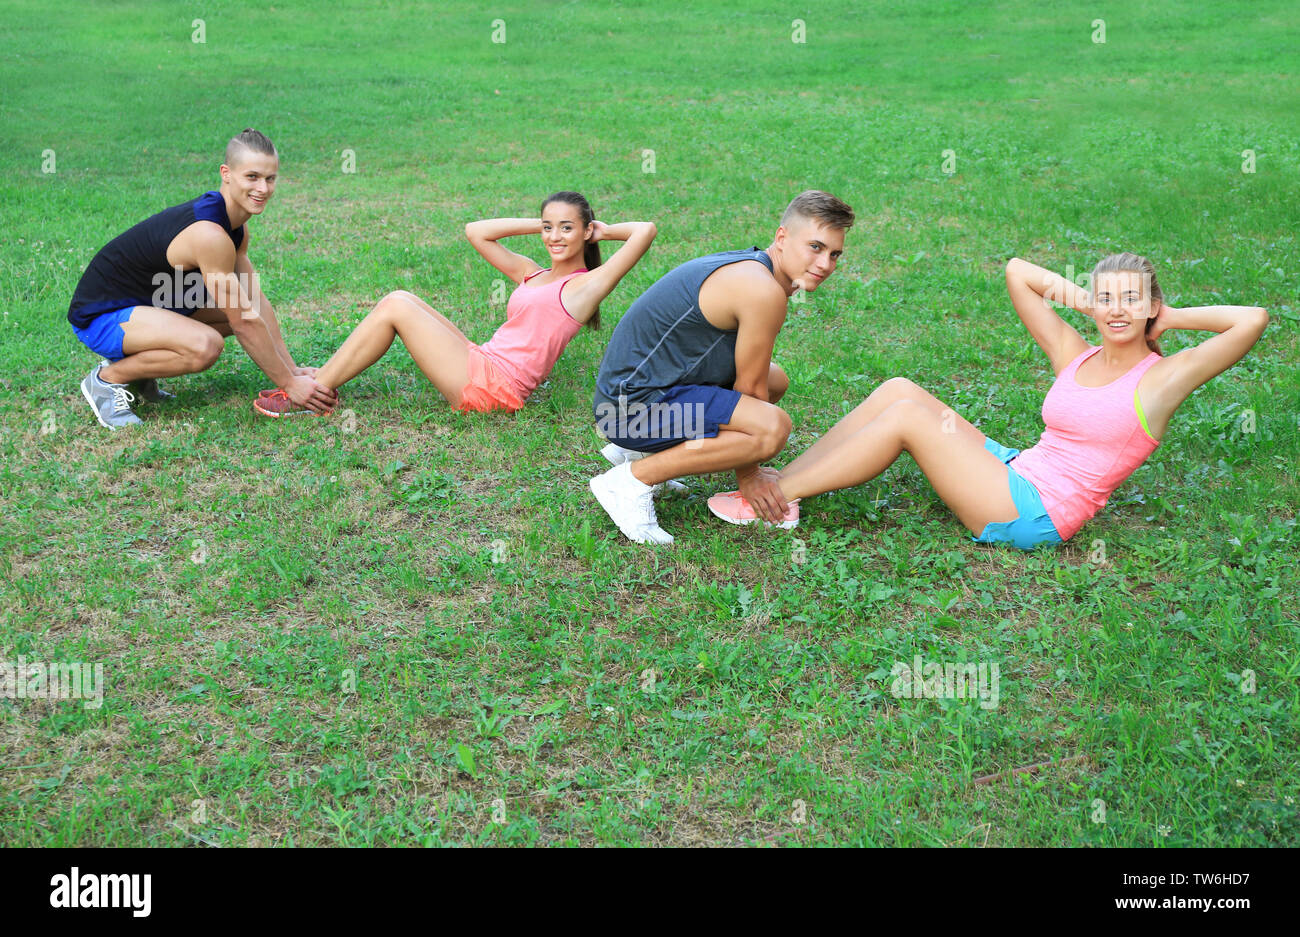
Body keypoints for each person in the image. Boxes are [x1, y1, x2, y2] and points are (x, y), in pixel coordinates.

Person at [707, 253, 1270, 550]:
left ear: (1151, 306)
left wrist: (1165, 316)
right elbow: (1018, 273)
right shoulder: (1075, 354)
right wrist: (1097, 305)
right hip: (1016, 469)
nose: (1117, 310)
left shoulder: (1162, 379)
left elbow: (1251, 321)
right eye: (1106, 299)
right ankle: (790, 492)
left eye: (1131, 300)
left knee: (906, 419)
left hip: (1037, 512)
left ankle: (771, 499)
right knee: (899, 390)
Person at [586, 190, 855, 545]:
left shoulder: (758, 269)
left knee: (776, 380)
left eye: (834, 254)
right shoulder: (762, 290)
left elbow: (759, 381)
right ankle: (632, 478)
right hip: (626, 410)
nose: (825, 264)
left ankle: (645, 450)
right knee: (770, 429)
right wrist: (751, 474)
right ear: (782, 237)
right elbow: (750, 393)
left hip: (638, 394)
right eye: (816, 247)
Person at [253, 191, 656, 416]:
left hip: (497, 389)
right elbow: (477, 232)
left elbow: (644, 230)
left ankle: (310, 395)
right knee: (404, 298)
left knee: (396, 305)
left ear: (586, 232)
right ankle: (323, 376)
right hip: (484, 362)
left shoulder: (584, 287)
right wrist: (547, 223)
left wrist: (597, 232)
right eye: (548, 228)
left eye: (566, 229)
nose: (554, 237)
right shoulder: (534, 273)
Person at [70, 128, 336, 429]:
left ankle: (139, 374)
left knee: (238, 309)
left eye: (270, 178)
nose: (263, 188)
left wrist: (293, 371)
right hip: (101, 316)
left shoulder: (236, 227)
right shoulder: (210, 235)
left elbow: (254, 301)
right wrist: (288, 384)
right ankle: (107, 380)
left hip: (153, 302)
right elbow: (244, 322)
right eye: (252, 177)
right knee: (205, 346)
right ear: (227, 173)